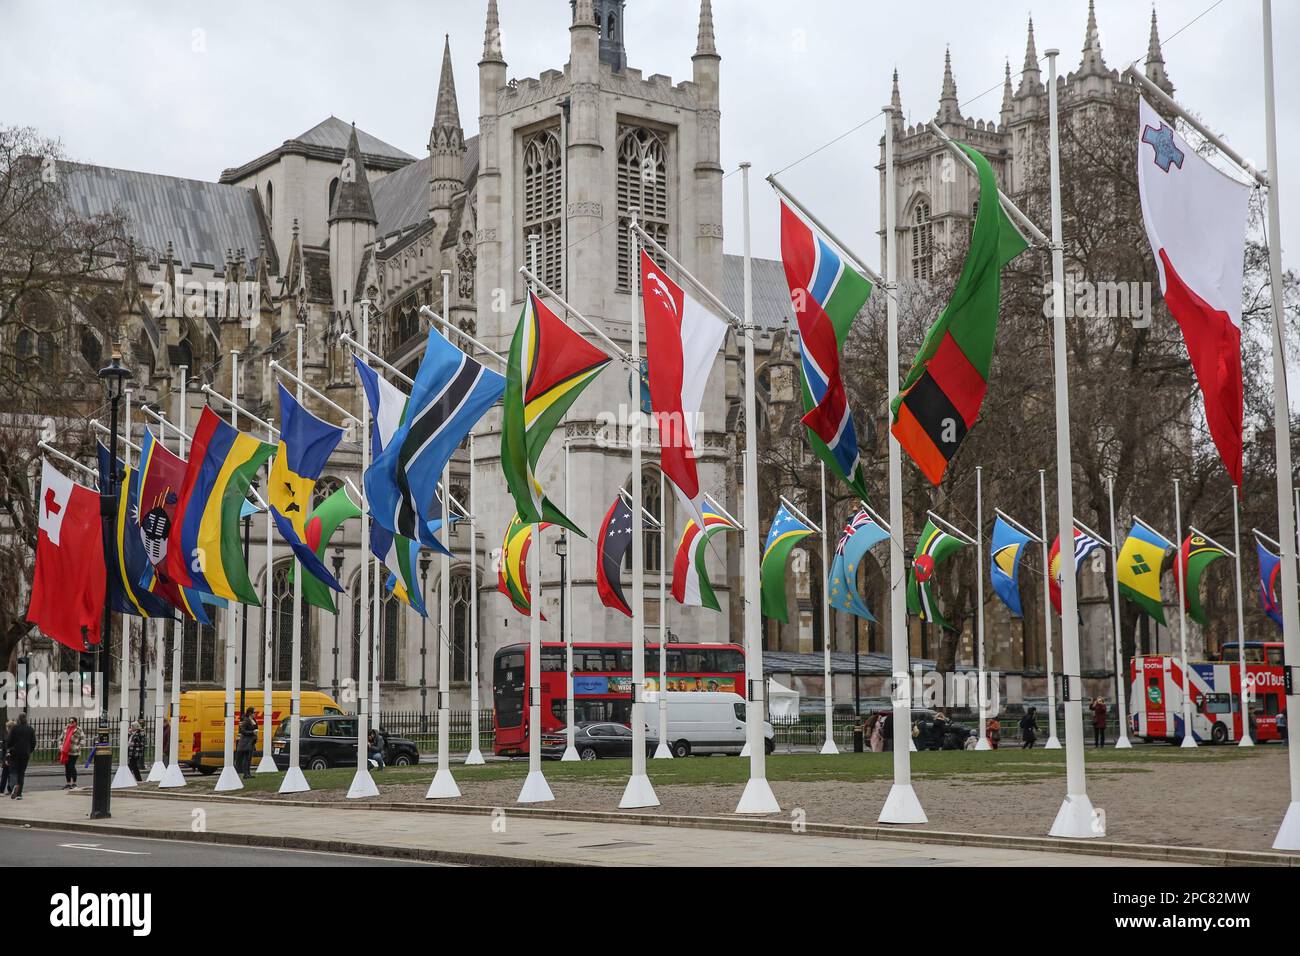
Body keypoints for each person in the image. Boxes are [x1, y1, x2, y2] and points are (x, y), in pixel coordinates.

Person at [7, 713, 36, 800]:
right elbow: (33, 742)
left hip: (15, 752)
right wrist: (29, 750)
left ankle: (14, 785)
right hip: (25, 753)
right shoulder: (30, 729)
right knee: (21, 772)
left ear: (18, 719)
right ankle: (19, 794)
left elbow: (10, 741)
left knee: (13, 770)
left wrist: (9, 749)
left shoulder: (15, 728)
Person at [59, 716, 84, 789]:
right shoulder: (65, 729)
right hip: (66, 751)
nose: (71, 723)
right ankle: (68, 783)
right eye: (69, 721)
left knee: (71, 766)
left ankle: (74, 783)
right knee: (67, 767)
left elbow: (83, 740)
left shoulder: (79, 730)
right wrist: (60, 747)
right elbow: (61, 739)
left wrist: (78, 746)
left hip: (74, 752)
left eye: (72, 722)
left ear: (76, 722)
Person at [236, 707, 257, 778]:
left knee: (249, 758)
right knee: (246, 758)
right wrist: (252, 732)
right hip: (246, 742)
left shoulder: (253, 720)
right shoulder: (246, 720)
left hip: (251, 741)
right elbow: (242, 730)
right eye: (254, 712)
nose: (255, 714)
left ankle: (248, 773)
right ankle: (246, 774)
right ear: (250, 713)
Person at [0, 719, 12, 794]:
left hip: (7, 757)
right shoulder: (10, 736)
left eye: (7, 727)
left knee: (5, 774)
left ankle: (1, 790)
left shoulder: (8, 736)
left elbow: (6, 749)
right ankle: (9, 789)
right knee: (10, 774)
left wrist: (3, 759)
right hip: (10, 757)